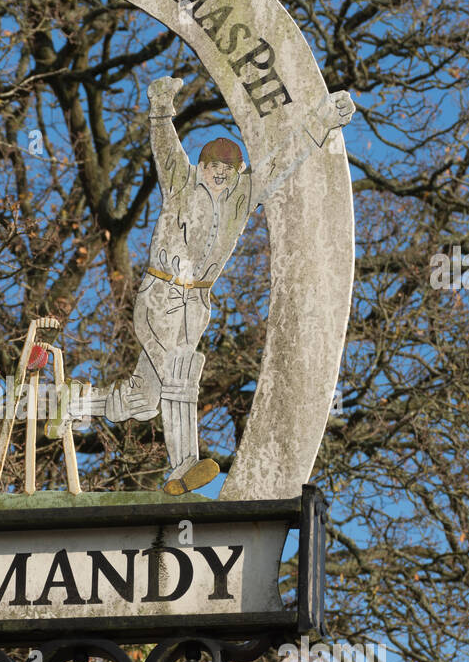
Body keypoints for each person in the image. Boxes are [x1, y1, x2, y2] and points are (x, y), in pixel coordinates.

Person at [90, 75, 355, 493]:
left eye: (227, 171)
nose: (219, 177)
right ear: (203, 167)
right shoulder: (181, 181)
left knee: (143, 402)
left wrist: (322, 122)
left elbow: (281, 160)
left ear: (237, 173)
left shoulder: (244, 194)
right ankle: (183, 470)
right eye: (213, 168)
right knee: (180, 372)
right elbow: (165, 149)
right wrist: (161, 105)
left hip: (196, 304)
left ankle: (70, 407)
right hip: (161, 292)